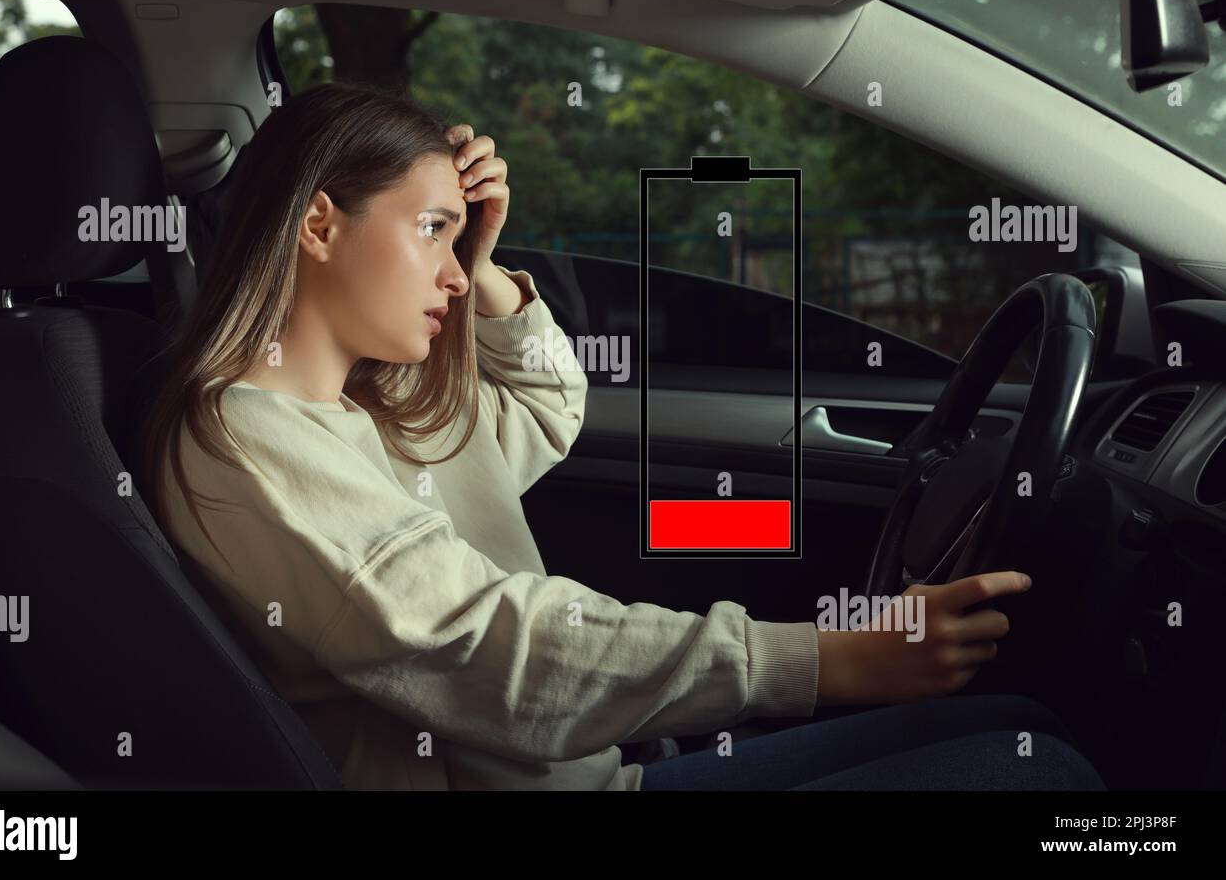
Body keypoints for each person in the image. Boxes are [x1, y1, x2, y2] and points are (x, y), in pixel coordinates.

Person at [134, 81, 1103, 791]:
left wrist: (487, 262)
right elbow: (489, 644)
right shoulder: (245, 435)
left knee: (1021, 726)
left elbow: (549, 407)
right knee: (1043, 778)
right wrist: (820, 658)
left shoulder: (352, 404)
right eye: (430, 229)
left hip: (594, 770)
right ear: (316, 225)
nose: (450, 274)